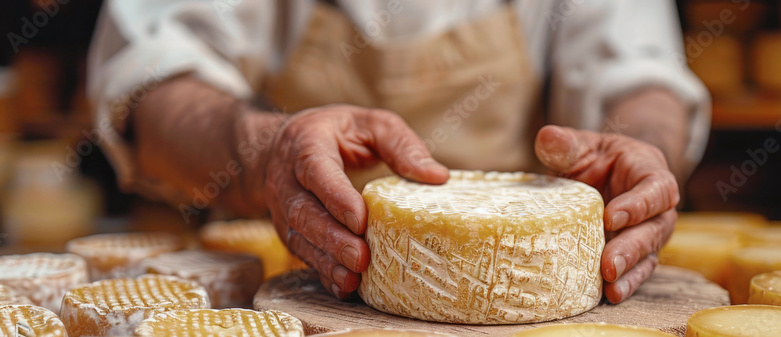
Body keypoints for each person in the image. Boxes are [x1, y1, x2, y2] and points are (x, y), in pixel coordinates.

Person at [87, 0, 710, 303]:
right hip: (295, 287)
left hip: (526, 300)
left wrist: (643, 152)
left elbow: (639, 72)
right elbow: (148, 79)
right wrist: (265, 154)